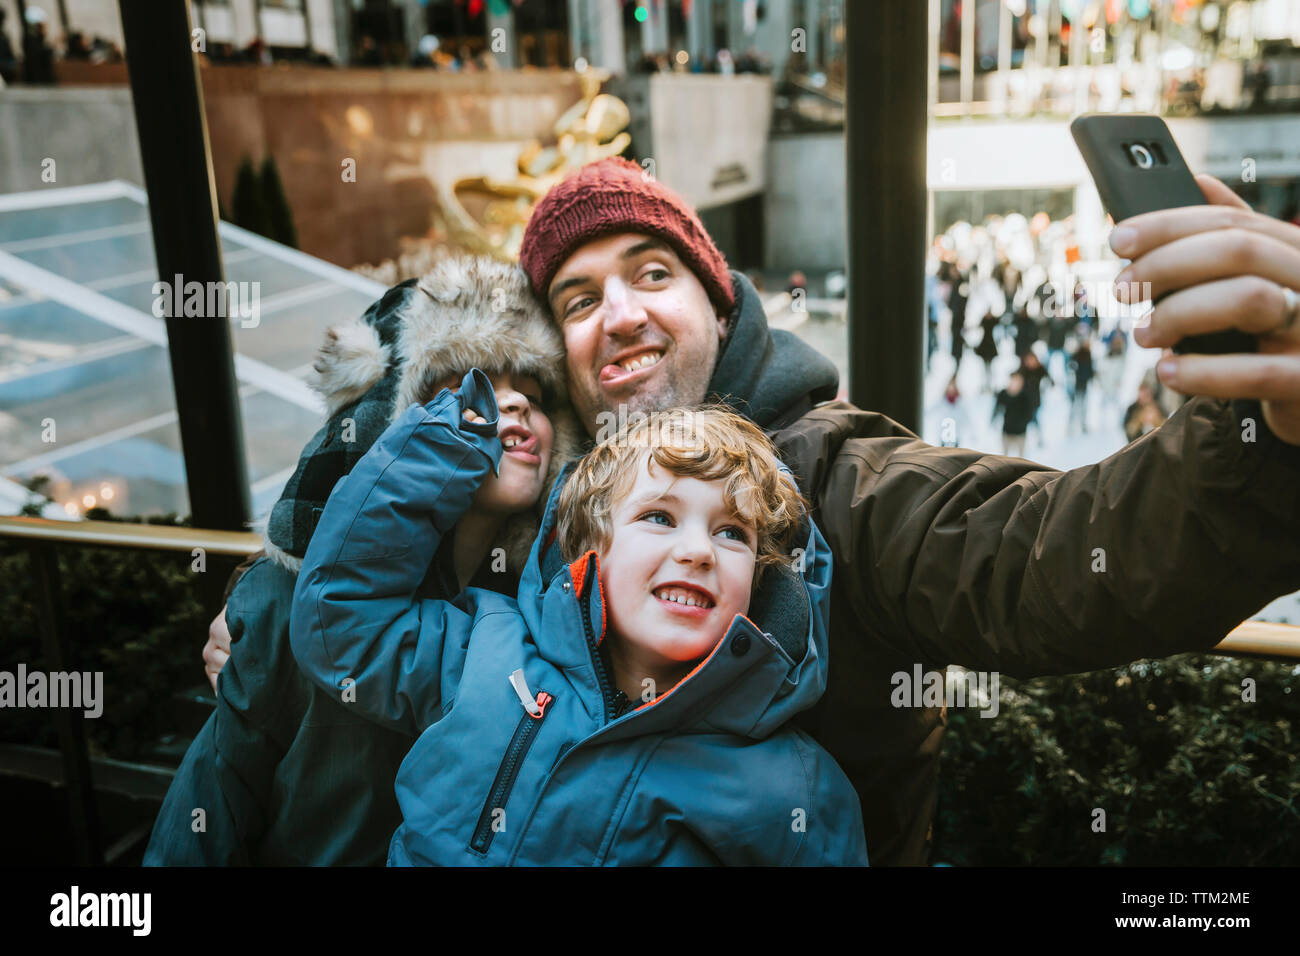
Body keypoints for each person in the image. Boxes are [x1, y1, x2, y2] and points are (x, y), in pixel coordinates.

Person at [204, 158, 1300, 866]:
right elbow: (382, 623)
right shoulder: (562, 501)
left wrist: (1267, 428)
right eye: (579, 300)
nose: (619, 313)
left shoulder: (832, 477)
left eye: (651, 273)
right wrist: (261, 612)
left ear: (719, 307)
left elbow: (1051, 561)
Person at [291, 396, 868, 865]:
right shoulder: (483, 648)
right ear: (590, 548)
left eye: (732, 533)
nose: (697, 551)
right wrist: (440, 447)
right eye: (659, 517)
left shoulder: (796, 790)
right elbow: (341, 624)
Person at [146, 256, 582, 865]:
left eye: (535, 395)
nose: (513, 408)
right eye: (470, 389)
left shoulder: (542, 616)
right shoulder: (284, 603)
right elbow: (204, 821)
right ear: (391, 420)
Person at [992, 370, 1034, 458]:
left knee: (1021, 458)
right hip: (1007, 431)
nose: (1015, 383)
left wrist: (1024, 422)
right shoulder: (1003, 394)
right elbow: (997, 408)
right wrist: (993, 418)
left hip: (1021, 433)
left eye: (1017, 381)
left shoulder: (1025, 396)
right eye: (1013, 380)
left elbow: (1030, 413)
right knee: (1005, 457)